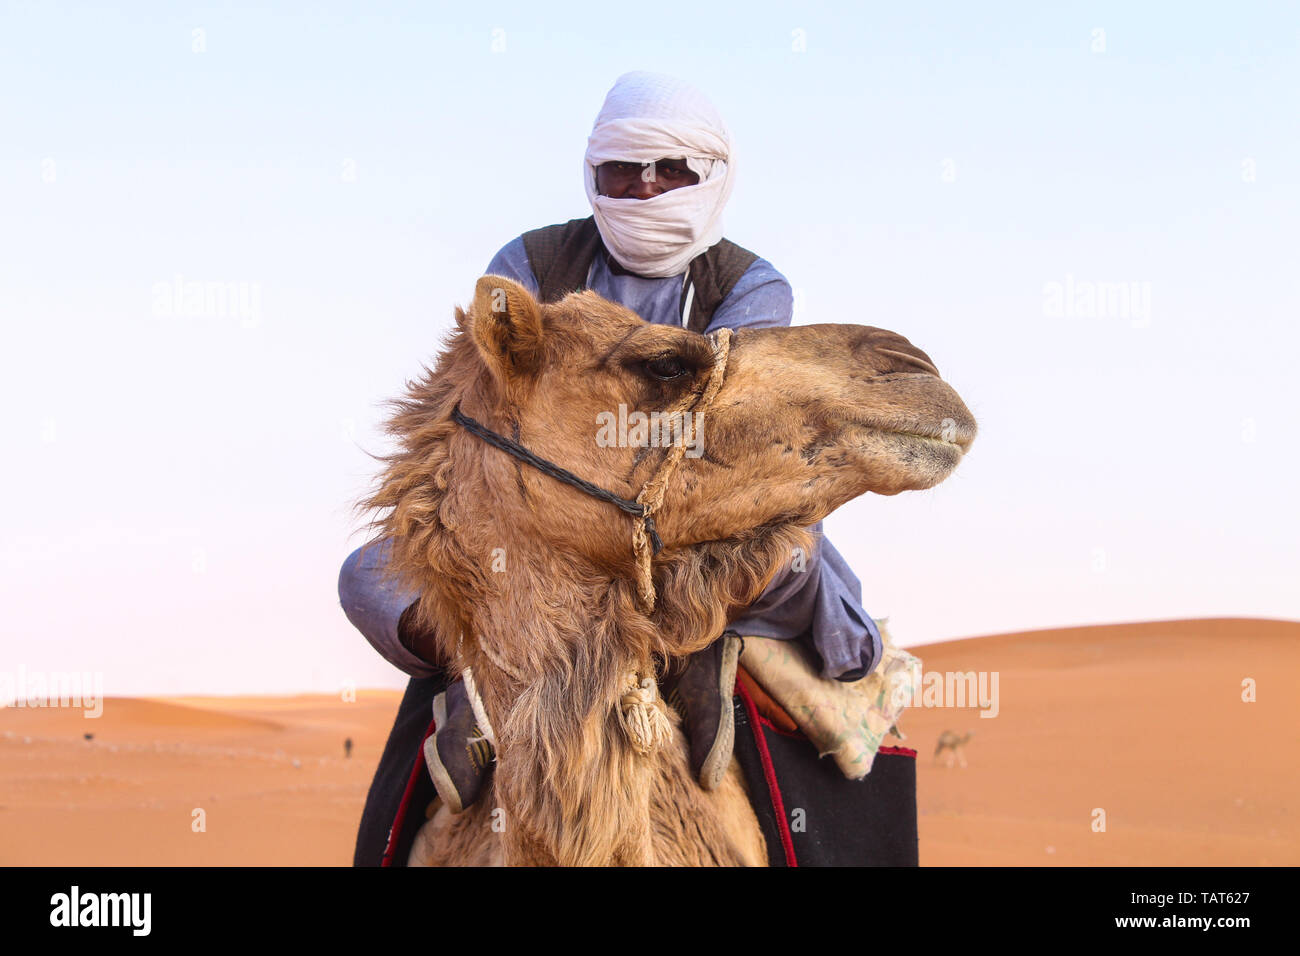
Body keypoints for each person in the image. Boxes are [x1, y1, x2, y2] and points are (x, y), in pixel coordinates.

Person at [339, 71, 882, 865]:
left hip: (694, 525)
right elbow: (480, 397)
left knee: (782, 559)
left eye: (673, 170)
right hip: (534, 539)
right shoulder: (531, 261)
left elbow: (727, 431)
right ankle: (481, 679)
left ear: (716, 176)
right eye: (623, 172)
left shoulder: (747, 287)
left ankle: (699, 664)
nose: (647, 188)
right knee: (368, 576)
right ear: (593, 175)